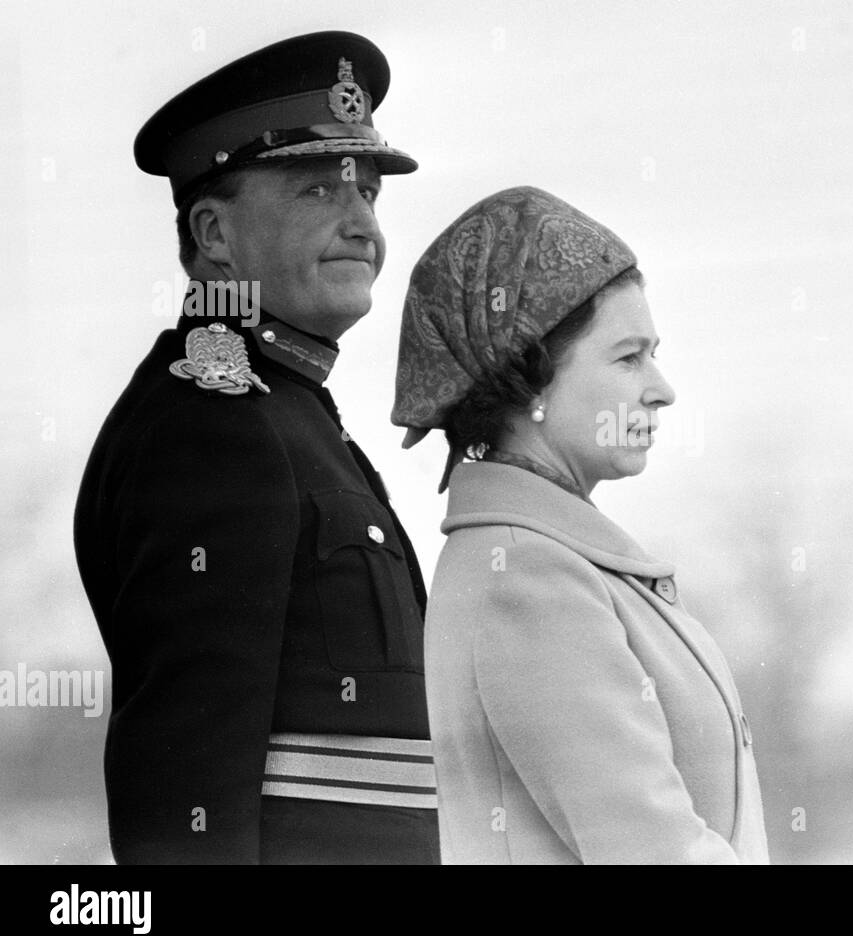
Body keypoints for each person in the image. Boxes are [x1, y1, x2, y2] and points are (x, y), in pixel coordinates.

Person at [74, 32, 439, 863]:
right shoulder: (212, 423)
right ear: (215, 235)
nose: (362, 224)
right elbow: (181, 778)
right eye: (320, 190)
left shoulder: (286, 410)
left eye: (370, 196)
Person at [391, 186, 770, 863]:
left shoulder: (551, 559)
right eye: (628, 357)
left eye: (654, 353)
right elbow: (650, 850)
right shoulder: (529, 579)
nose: (661, 387)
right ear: (531, 381)